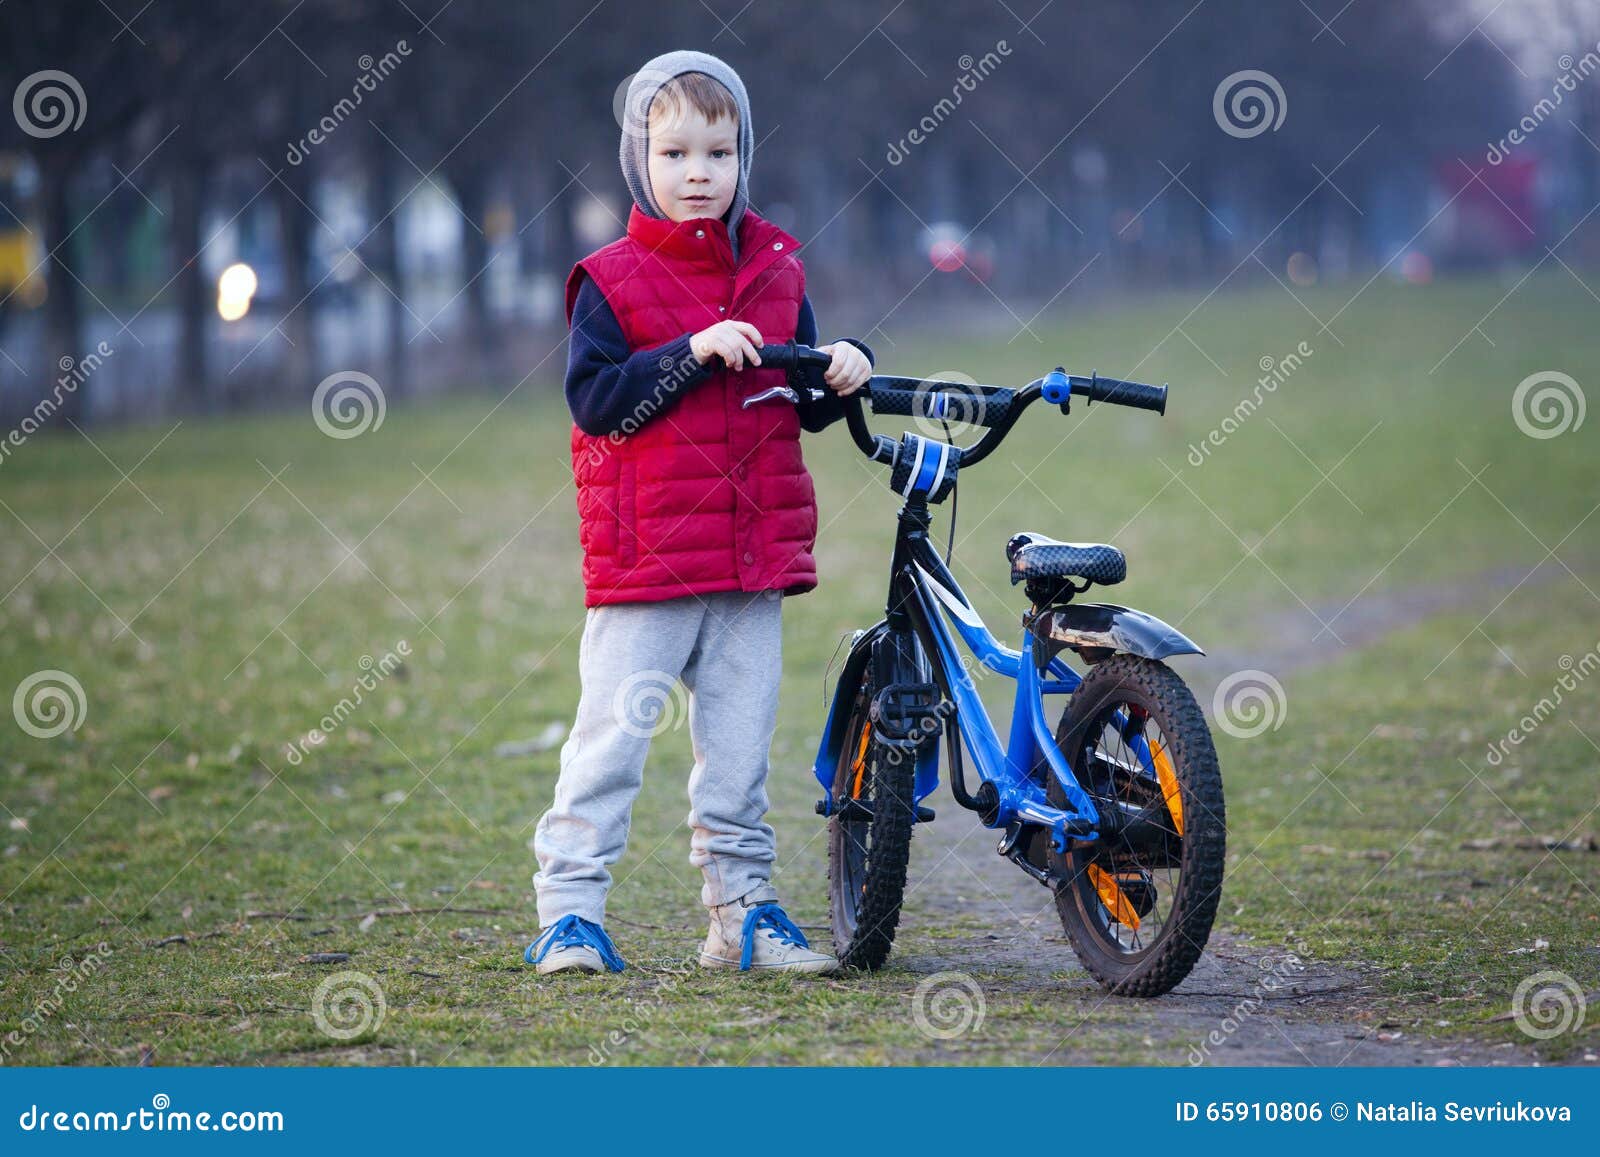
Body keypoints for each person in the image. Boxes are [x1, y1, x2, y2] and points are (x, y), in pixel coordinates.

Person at [528, 50, 873, 975]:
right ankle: (569, 915)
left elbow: (803, 401)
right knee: (609, 747)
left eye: (717, 155)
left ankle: (743, 916)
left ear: (741, 157)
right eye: (675, 153)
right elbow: (599, 403)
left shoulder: (775, 268)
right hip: (648, 569)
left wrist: (841, 369)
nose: (697, 174)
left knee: (738, 760)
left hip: (751, 564)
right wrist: (691, 350)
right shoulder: (609, 277)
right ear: (641, 157)